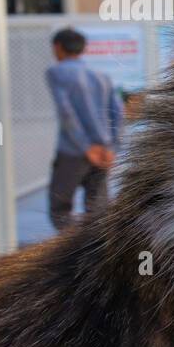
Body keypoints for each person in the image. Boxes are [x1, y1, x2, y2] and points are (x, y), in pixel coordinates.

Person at [45, 28, 122, 231]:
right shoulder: (101, 76)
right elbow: (118, 112)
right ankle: (95, 256)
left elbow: (66, 112)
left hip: (74, 151)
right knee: (99, 211)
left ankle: (70, 254)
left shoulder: (56, 72)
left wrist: (86, 147)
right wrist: (112, 147)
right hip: (104, 151)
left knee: (60, 208)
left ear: (58, 47)